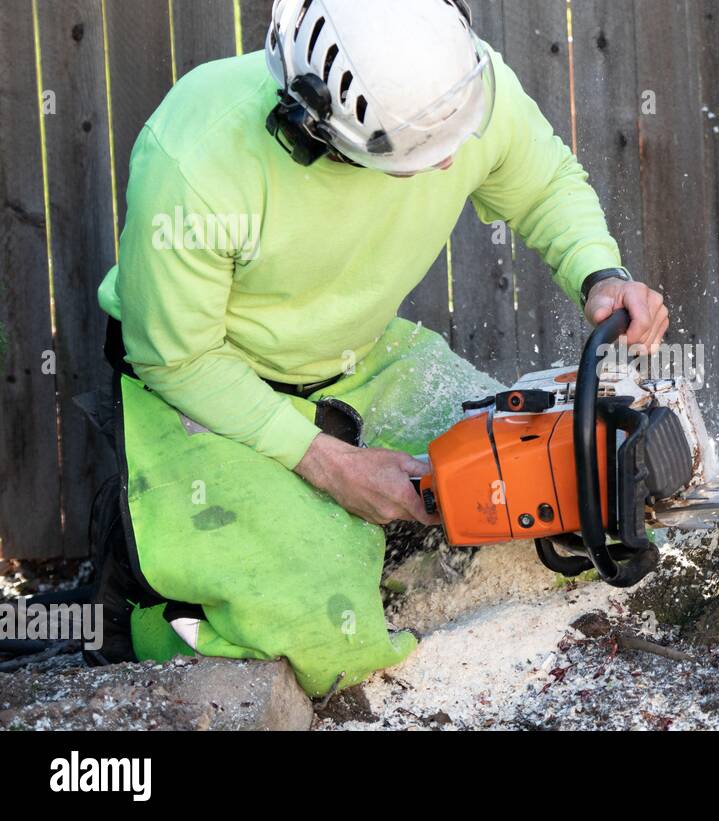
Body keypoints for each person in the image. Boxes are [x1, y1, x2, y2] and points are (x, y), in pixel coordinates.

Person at [90, 0, 668, 696]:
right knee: (327, 635)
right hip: (202, 387)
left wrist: (600, 273)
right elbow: (176, 359)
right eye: (414, 155)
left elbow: (542, 183)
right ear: (310, 126)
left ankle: (356, 557)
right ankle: (143, 598)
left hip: (356, 359)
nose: (451, 156)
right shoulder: (197, 154)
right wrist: (334, 466)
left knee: (512, 487)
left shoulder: (461, 89)